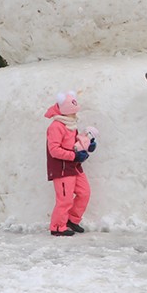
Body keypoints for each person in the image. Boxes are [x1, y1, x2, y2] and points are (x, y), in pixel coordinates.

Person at [44, 90, 97, 237]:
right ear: (66, 112)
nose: (75, 114)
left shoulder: (71, 124)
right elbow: (54, 150)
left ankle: (72, 220)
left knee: (84, 193)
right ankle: (57, 226)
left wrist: (87, 144)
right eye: (73, 112)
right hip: (62, 169)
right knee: (65, 199)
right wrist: (74, 156)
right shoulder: (56, 127)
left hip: (74, 166)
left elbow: (75, 143)